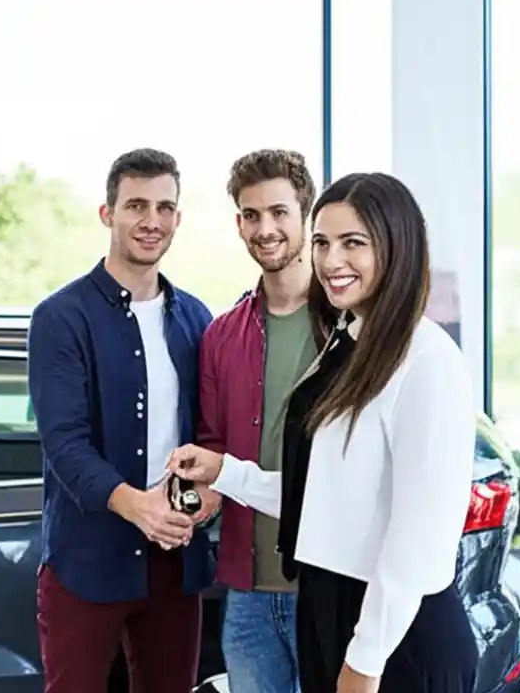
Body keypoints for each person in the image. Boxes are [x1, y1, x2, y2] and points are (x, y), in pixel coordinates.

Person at [166, 172, 479, 693]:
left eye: (353, 243)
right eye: (323, 243)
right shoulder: (351, 343)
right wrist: (226, 473)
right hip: (331, 609)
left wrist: (366, 660)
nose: (331, 262)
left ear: (396, 246)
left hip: (394, 636)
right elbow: (327, 499)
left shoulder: (428, 361)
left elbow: (418, 540)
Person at [27, 147, 219, 693]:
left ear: (178, 218)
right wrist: (140, 508)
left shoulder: (196, 318)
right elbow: (64, 444)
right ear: (108, 212)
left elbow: (209, 433)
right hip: (86, 561)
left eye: (165, 207)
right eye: (136, 205)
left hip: (174, 564)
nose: (151, 221)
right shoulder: (61, 318)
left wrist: (211, 497)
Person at [198, 149, 328, 693]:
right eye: (251, 216)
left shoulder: (350, 329)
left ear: (307, 215)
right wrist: (191, 503)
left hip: (328, 586)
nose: (265, 229)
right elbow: (212, 448)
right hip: (246, 596)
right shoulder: (221, 335)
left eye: (279, 212)